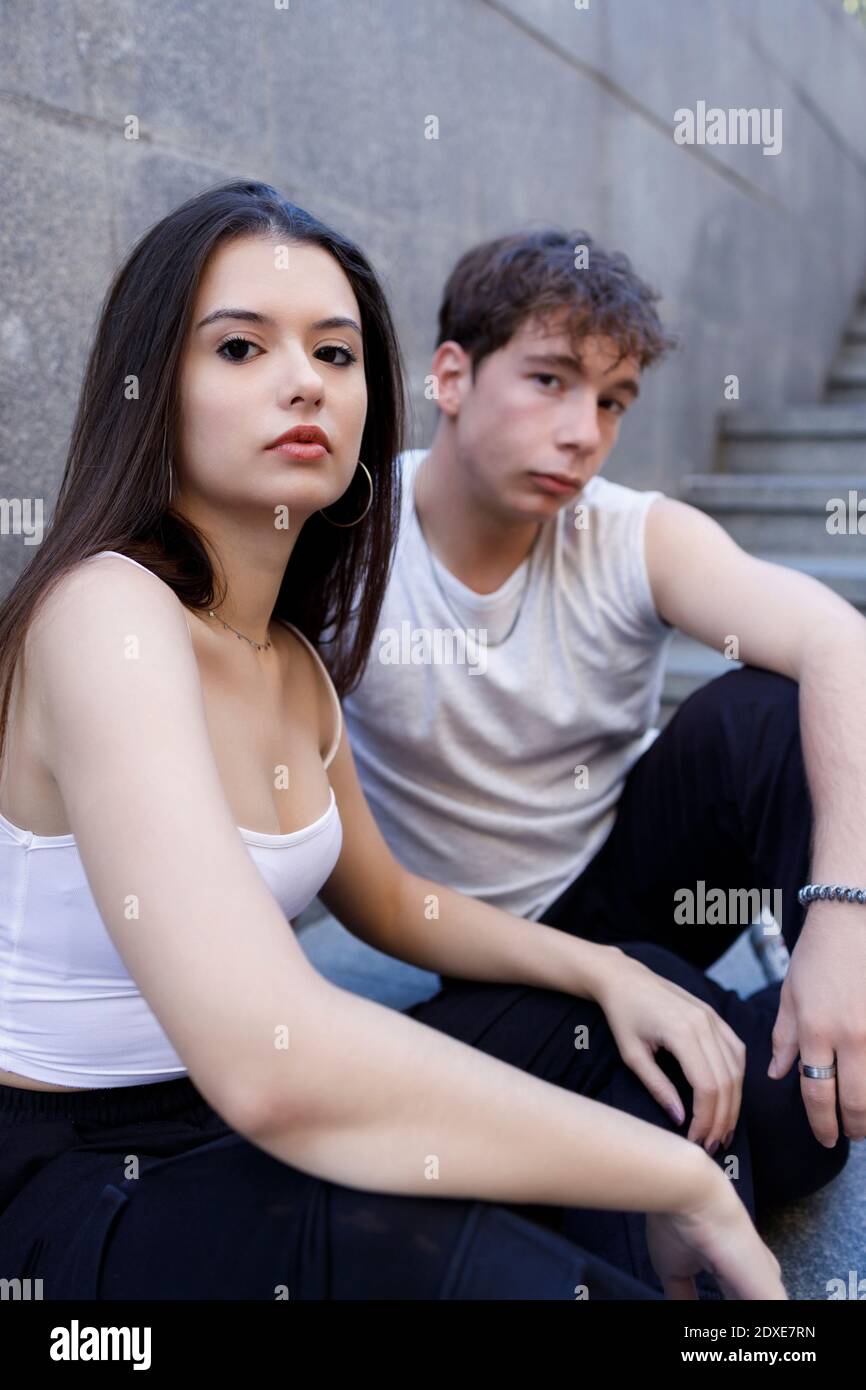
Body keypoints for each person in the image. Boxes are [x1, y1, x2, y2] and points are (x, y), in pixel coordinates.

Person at [0, 179, 793, 1302]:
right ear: (150, 387)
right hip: (78, 1178)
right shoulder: (107, 614)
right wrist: (677, 1180)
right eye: (238, 348)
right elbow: (276, 1065)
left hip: (229, 1129)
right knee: (399, 1225)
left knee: (608, 1027)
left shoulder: (292, 661)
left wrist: (606, 969)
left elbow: (391, 903)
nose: (301, 384)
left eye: (333, 355)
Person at [332, 229, 866, 1181]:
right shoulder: (350, 542)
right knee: (786, 1127)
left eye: (613, 400)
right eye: (550, 381)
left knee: (763, 712)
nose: (585, 431)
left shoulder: (631, 533)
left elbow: (839, 641)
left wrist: (843, 923)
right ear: (452, 377)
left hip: (632, 868)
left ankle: (805, 1010)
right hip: (490, 942)